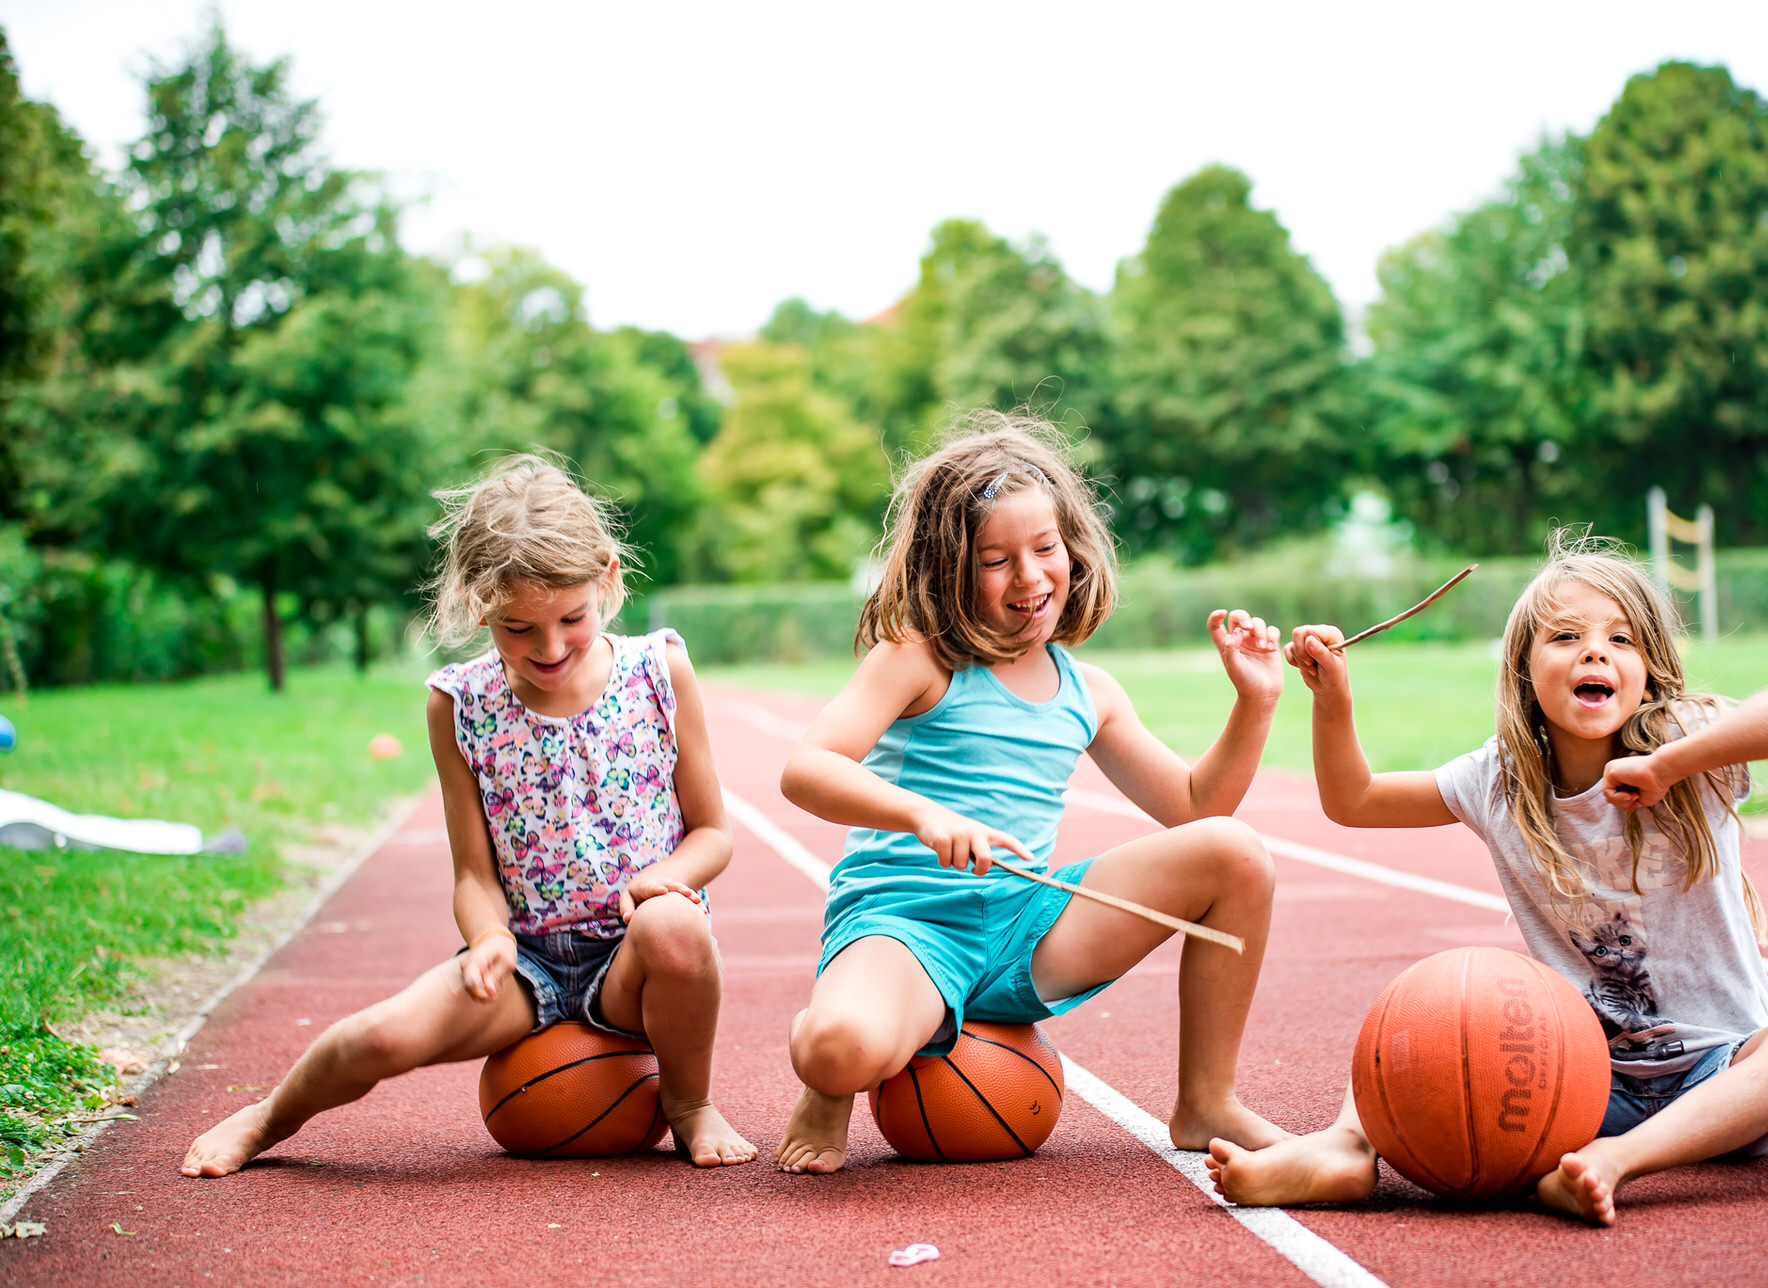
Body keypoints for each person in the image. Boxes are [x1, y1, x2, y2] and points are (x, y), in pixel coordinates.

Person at [1206, 535, 1768, 1225]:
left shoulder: (1685, 741)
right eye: (1566, 635)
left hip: (1725, 1081)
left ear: (1650, 668)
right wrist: (1332, 697)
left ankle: (1616, 1162)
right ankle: (1345, 1146)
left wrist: (1671, 765)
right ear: (1523, 671)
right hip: (1582, 1082)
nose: (1595, 651)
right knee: (1439, 1003)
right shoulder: (1501, 780)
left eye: (1621, 639)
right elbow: (1354, 801)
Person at [182, 457, 755, 1176]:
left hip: (636, 965)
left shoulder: (658, 670)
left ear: (607, 576)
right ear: (476, 603)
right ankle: (267, 1117)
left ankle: (691, 1105)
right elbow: (473, 875)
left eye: (571, 619)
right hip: (528, 965)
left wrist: (660, 881)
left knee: (675, 922)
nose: (549, 648)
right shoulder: (459, 703)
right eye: (518, 628)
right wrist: (487, 937)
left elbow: (713, 835)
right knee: (379, 1037)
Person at [774, 413, 1291, 1175]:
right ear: (950, 567)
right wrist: (922, 812)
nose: (1029, 576)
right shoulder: (918, 656)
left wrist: (1256, 703)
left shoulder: (1091, 691)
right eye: (996, 559)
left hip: (1030, 928)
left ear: (1072, 548)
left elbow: (1195, 807)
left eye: (1045, 548)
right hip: (912, 926)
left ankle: (1206, 1101)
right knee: (840, 1049)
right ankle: (829, 1050)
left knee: (1236, 853)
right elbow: (807, 768)